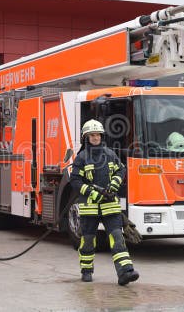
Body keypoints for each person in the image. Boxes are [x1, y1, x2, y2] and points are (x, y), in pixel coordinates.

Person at [69, 119, 139, 286]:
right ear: (86, 137)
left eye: (98, 135)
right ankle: (86, 270)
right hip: (90, 207)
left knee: (117, 237)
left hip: (110, 205)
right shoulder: (81, 158)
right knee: (88, 240)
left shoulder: (110, 154)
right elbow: (75, 181)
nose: (95, 138)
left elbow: (121, 169)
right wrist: (93, 192)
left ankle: (125, 272)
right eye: (92, 135)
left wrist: (114, 184)